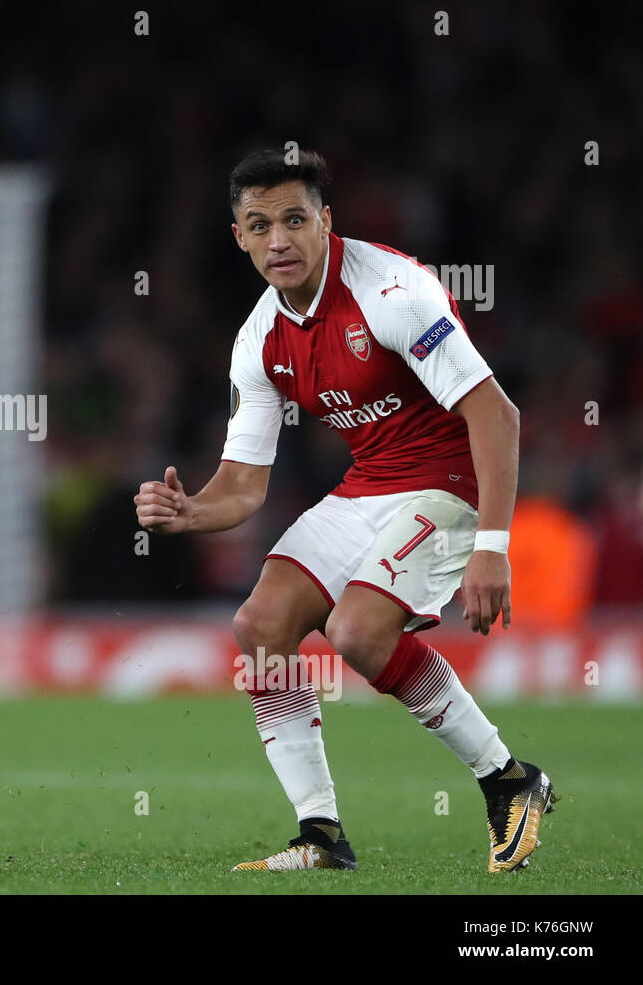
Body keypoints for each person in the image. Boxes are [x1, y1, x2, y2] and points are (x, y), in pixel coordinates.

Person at [134, 149, 555, 872]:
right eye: (259, 225)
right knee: (260, 625)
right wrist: (189, 512)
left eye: (295, 219)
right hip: (373, 481)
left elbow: (497, 414)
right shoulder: (258, 339)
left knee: (357, 631)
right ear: (238, 236)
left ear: (326, 221)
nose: (279, 241)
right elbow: (242, 482)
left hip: (453, 478)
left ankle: (509, 778)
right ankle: (320, 834)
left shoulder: (393, 291)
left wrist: (492, 543)